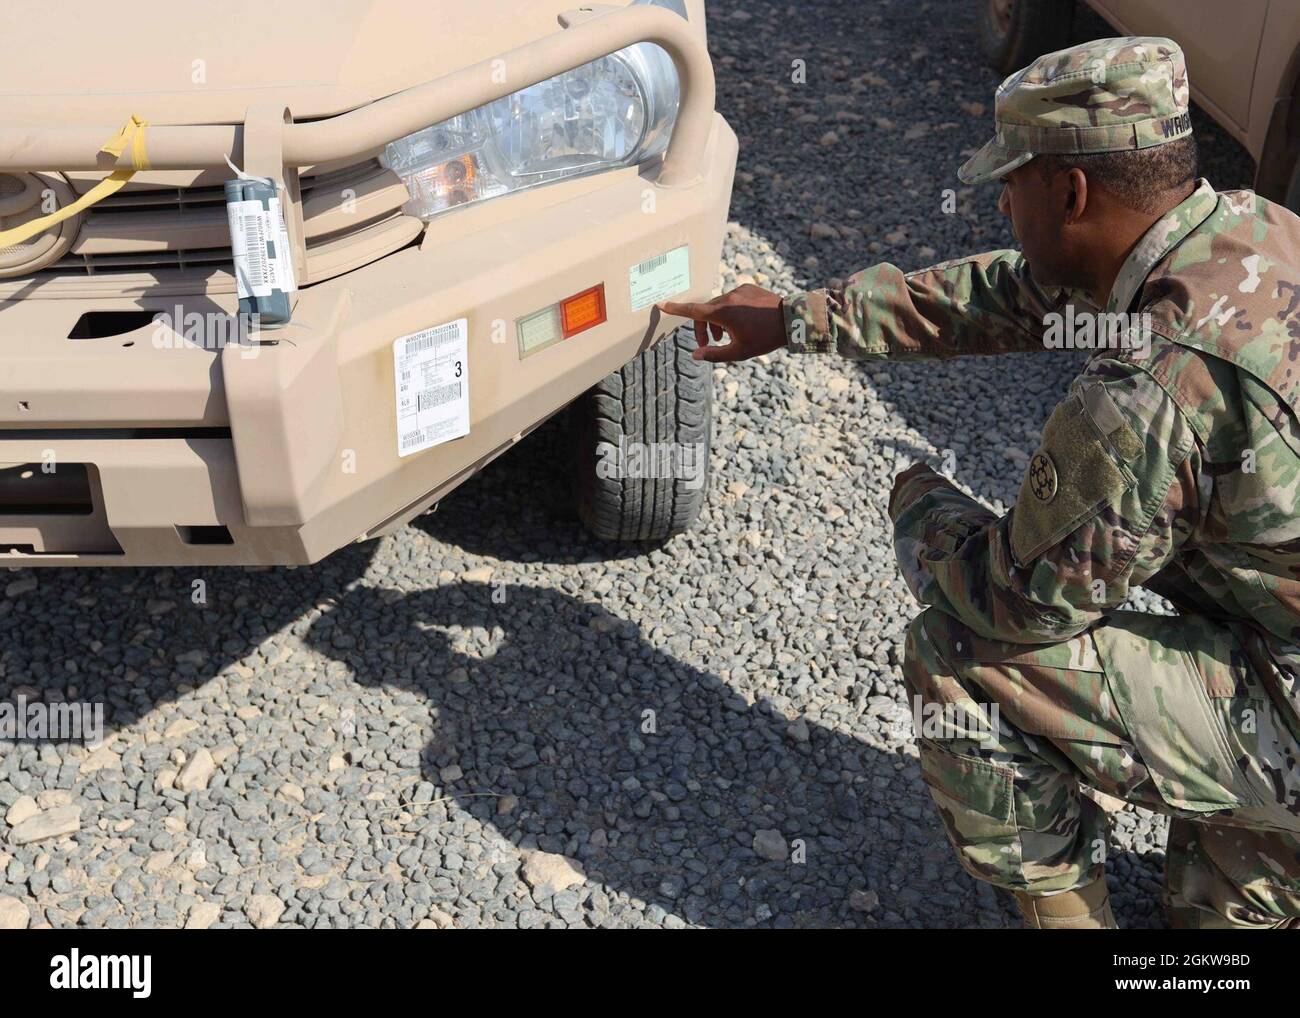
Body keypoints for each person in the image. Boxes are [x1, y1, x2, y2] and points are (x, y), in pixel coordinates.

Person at [660, 36, 1300, 929]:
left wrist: (920, 513)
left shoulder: (1156, 381)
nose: (999, 203)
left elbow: (1020, 604)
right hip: (1278, 636)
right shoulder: (1246, 236)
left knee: (960, 658)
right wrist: (797, 321)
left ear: (1071, 191)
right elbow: (1006, 296)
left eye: (1012, 181)